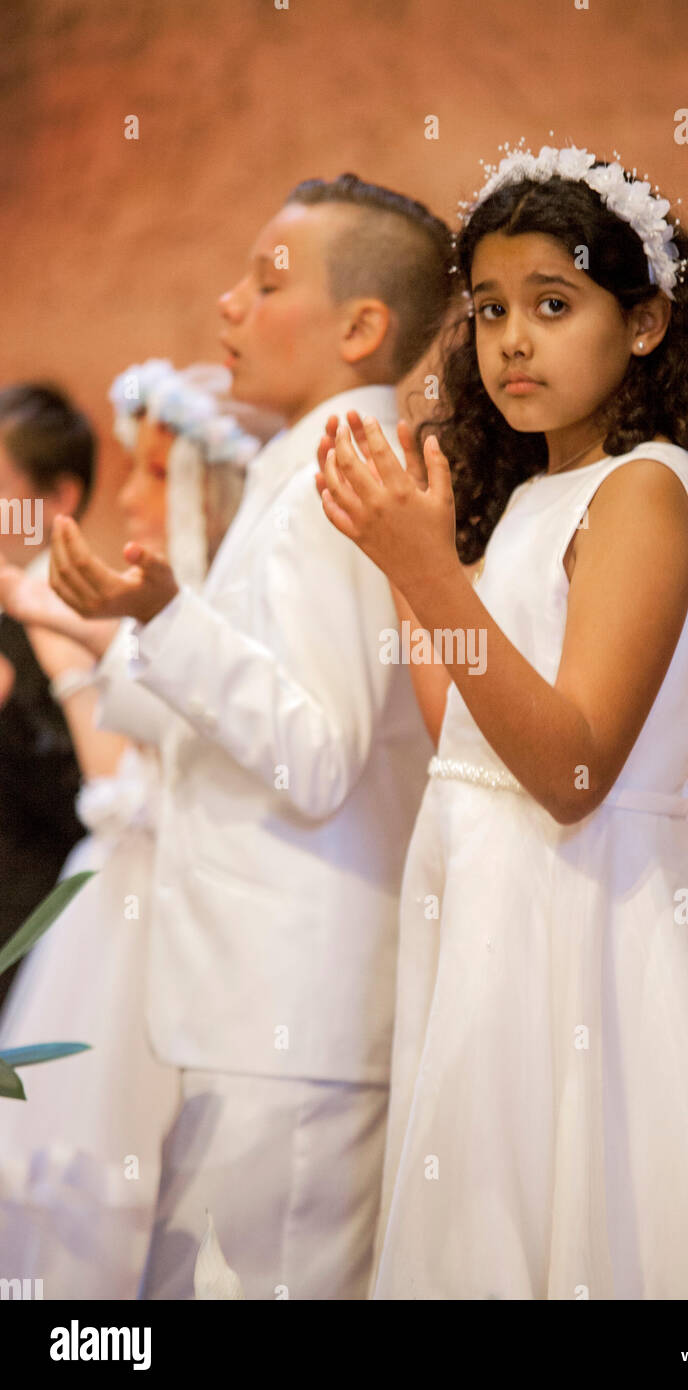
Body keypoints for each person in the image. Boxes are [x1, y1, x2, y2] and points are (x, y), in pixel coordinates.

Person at [315, 144, 688, 1299]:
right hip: (492, 887)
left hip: (583, 909)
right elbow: (463, 726)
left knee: (594, 1222)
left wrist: (432, 578)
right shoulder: (534, 498)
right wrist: (412, 565)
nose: (510, 340)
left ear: (642, 324)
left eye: (553, 304)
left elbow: (573, 768)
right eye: (488, 308)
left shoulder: (647, 486)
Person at [48, 176, 455, 1299]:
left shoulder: (340, 473)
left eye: (266, 281)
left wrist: (162, 616)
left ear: (361, 327)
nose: (227, 305)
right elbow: (226, 710)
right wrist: (119, 630)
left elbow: (314, 752)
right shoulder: (299, 462)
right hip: (260, 1003)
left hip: (294, 1008)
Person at [0, 360, 276, 1299]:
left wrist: (66, 647)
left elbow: (115, 785)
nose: (135, 497)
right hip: (111, 917)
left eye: (159, 474)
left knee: (146, 1194)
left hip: (150, 918)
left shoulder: (184, 622)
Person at [0, 384, 96, 1008]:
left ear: (58, 498)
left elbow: (95, 800)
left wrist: (8, 708)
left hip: (33, 940)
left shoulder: (81, 621)